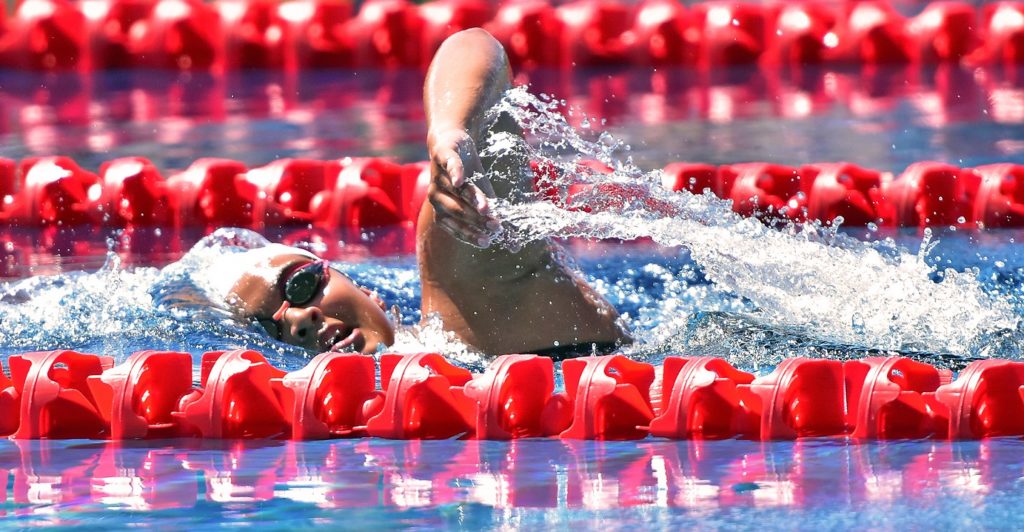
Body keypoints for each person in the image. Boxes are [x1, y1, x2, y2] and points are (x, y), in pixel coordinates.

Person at [227, 28, 629, 356]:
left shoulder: (473, 301)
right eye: (270, 328)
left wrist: (451, 129)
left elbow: (474, 45)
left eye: (300, 286)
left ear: (366, 291)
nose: (298, 320)